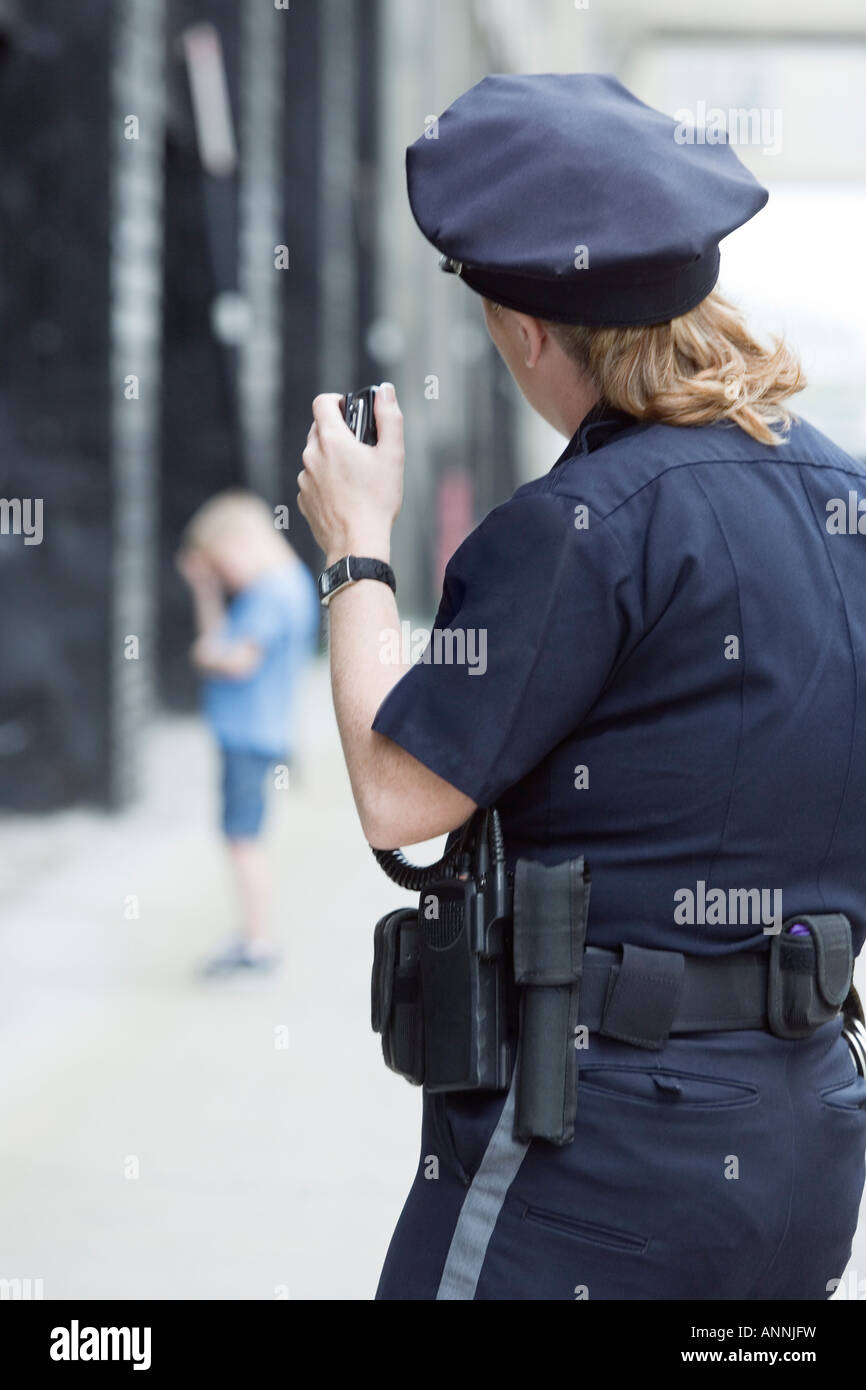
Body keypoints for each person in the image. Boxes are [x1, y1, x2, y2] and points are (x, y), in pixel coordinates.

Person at [298, 73, 866, 1300]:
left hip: (597, 1151)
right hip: (807, 1129)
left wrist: (354, 549)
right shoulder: (846, 498)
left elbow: (401, 799)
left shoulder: (575, 524)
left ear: (524, 328)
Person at [177, 489, 318, 975]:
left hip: (250, 737)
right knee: (242, 837)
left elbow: (234, 658)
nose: (225, 578)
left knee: (243, 839)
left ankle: (257, 945)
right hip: (254, 734)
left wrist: (205, 655)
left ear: (242, 542)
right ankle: (252, 937)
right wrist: (206, 590)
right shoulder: (285, 584)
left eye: (222, 566)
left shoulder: (271, 592)